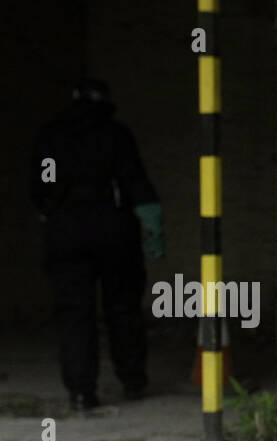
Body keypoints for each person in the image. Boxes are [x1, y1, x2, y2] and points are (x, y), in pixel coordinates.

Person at [29, 78, 165, 410]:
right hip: (113, 226)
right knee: (122, 306)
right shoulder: (116, 135)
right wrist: (154, 230)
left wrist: (51, 210)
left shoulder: (51, 136)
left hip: (66, 229)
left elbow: (41, 183)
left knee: (75, 313)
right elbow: (135, 181)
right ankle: (132, 380)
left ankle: (81, 391)